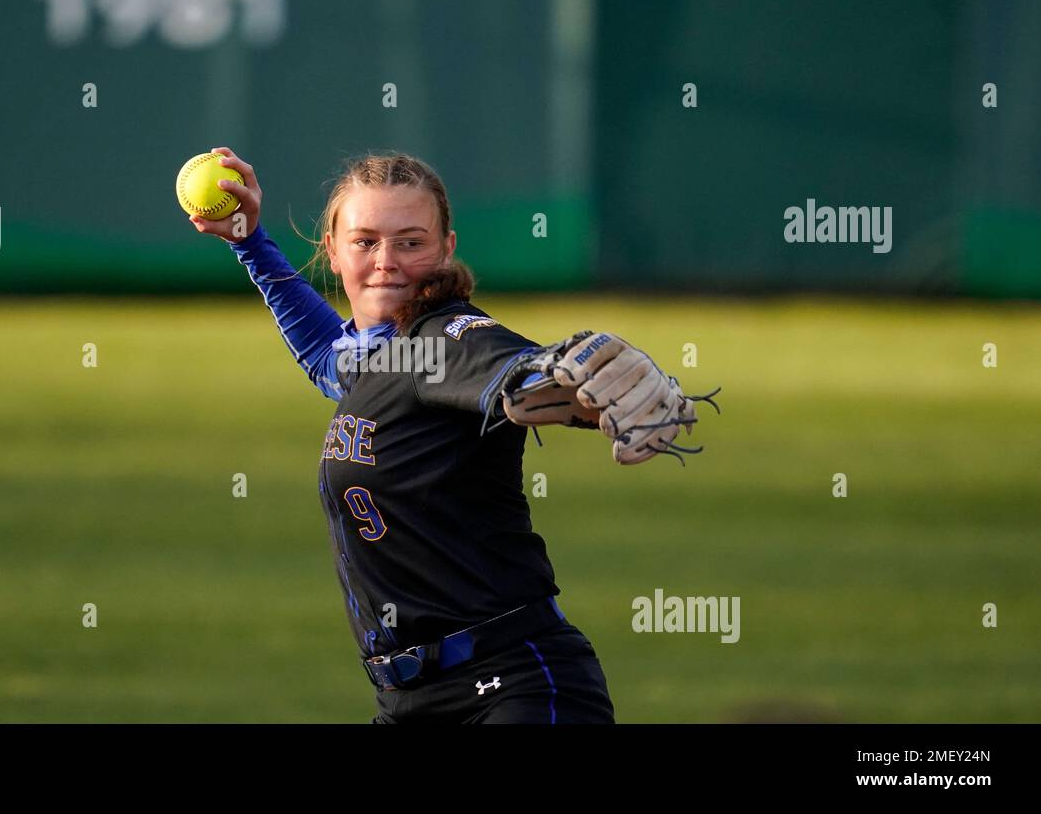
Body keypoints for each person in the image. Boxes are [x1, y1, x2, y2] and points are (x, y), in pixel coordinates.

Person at [189, 147, 713, 723]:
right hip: (409, 705)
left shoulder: (443, 338)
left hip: (516, 690)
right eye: (365, 242)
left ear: (445, 251)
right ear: (333, 253)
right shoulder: (369, 358)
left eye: (411, 242)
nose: (386, 261)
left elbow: (506, 371)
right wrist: (248, 240)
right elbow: (322, 350)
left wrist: (553, 378)